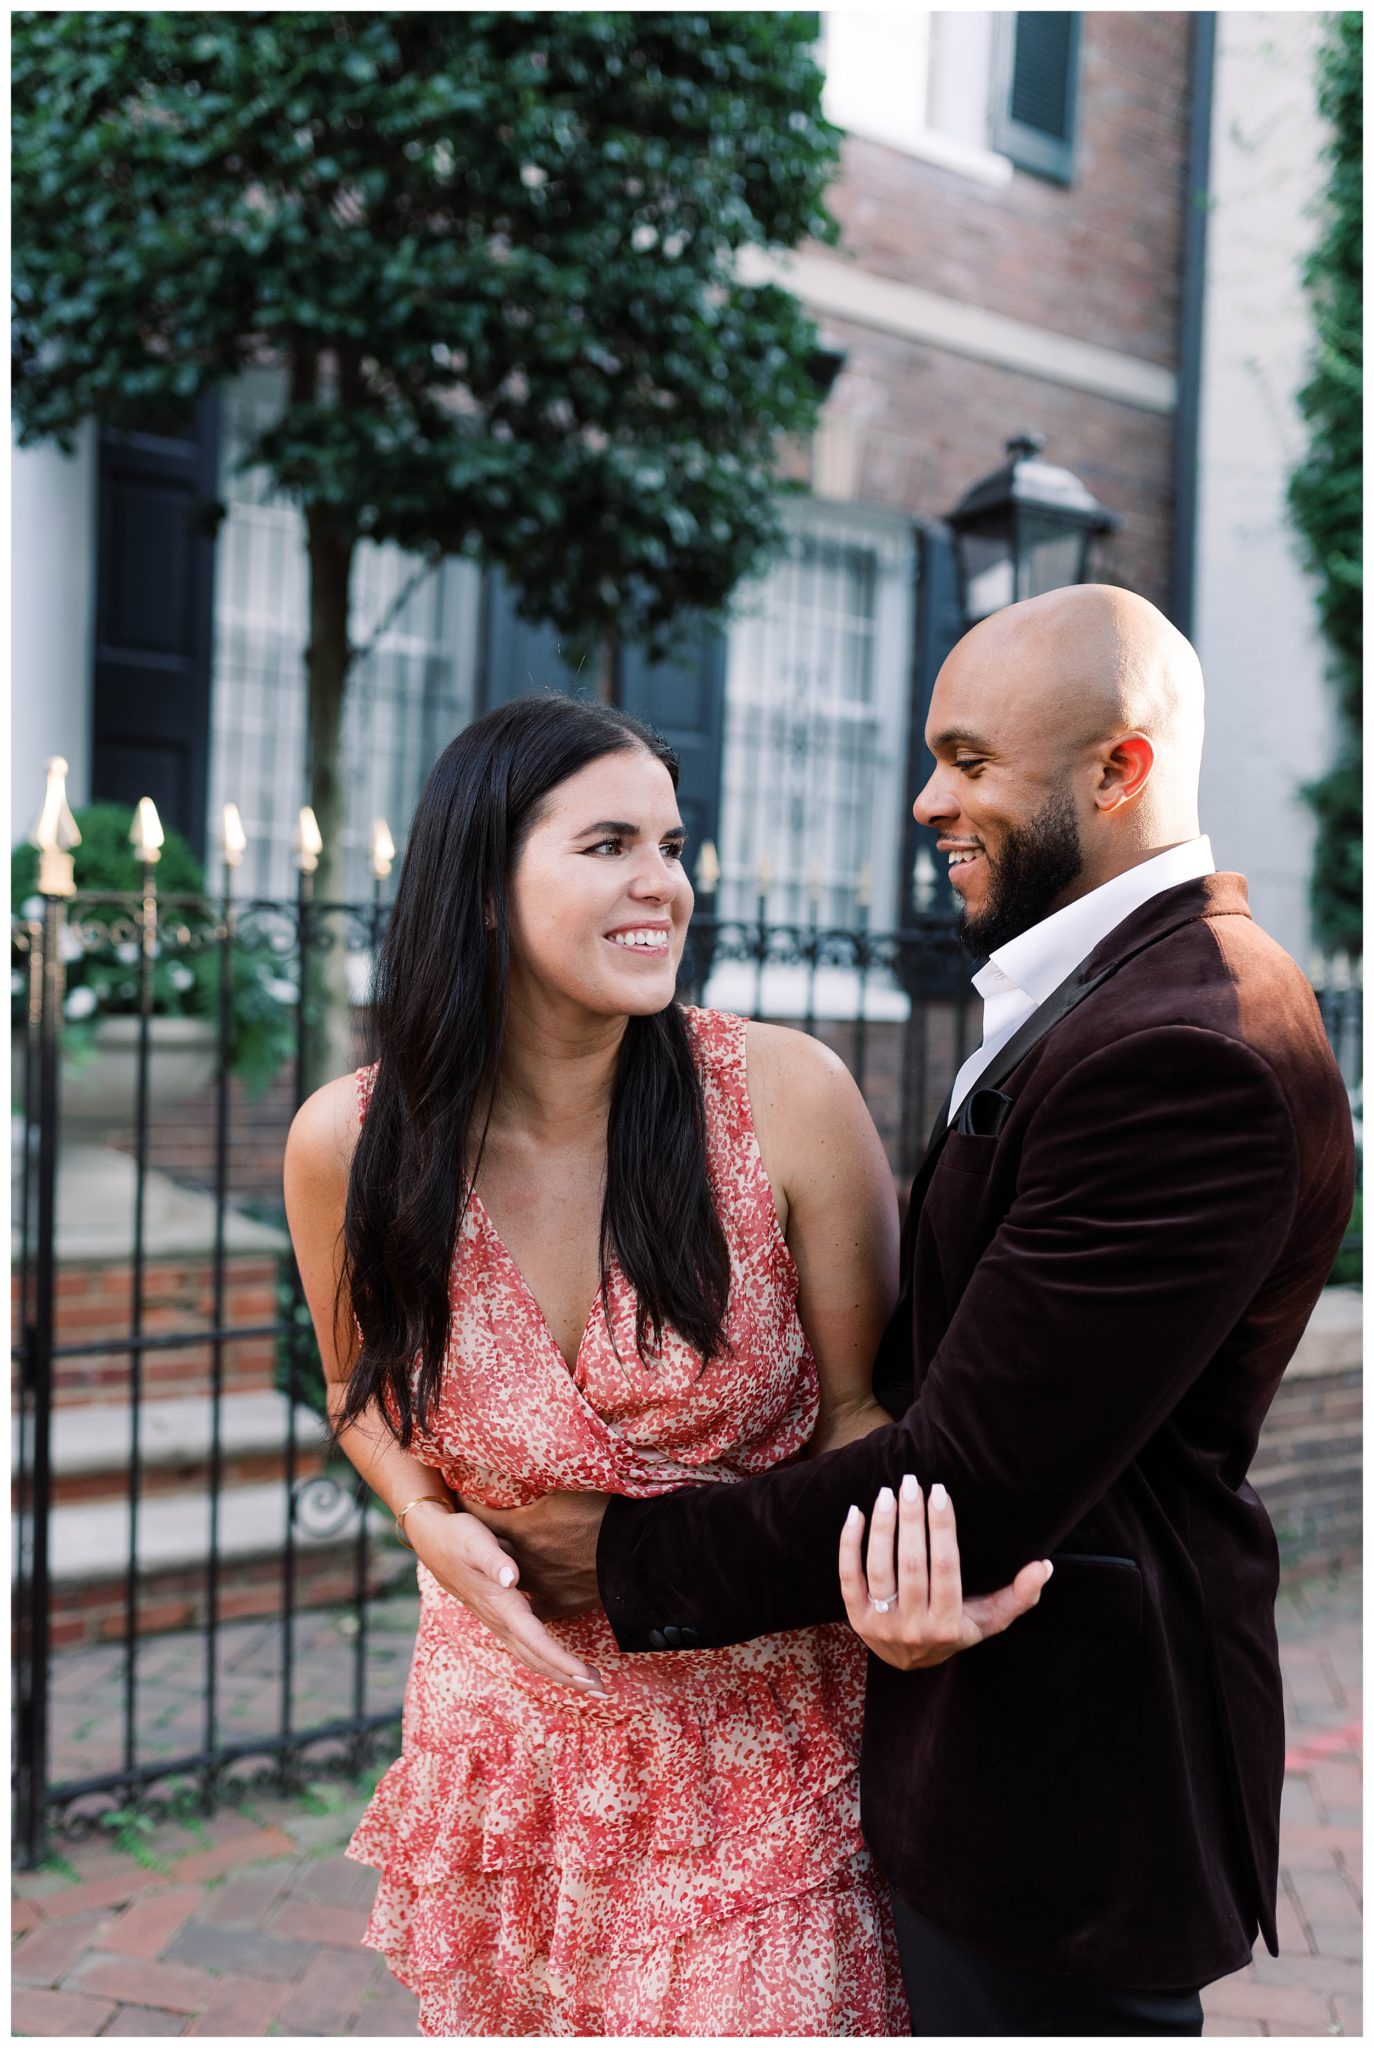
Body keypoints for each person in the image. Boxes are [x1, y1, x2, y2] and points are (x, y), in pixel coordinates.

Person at [466, 586, 1358, 2037]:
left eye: (969, 759)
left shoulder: (1188, 1051)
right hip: (975, 1755)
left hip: (1064, 1798)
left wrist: (614, 1554)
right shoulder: (1105, 992)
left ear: (1116, 771)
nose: (926, 799)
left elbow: (969, 1481)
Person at [285, 694, 1036, 2037]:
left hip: (760, 1760)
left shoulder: (786, 1096)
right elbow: (360, 1396)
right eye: (608, 844)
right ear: (479, 883)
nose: (662, 884)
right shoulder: (349, 1143)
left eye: (674, 845)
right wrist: (420, 1520)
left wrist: (897, 1606)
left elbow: (860, 1421)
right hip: (507, 1749)